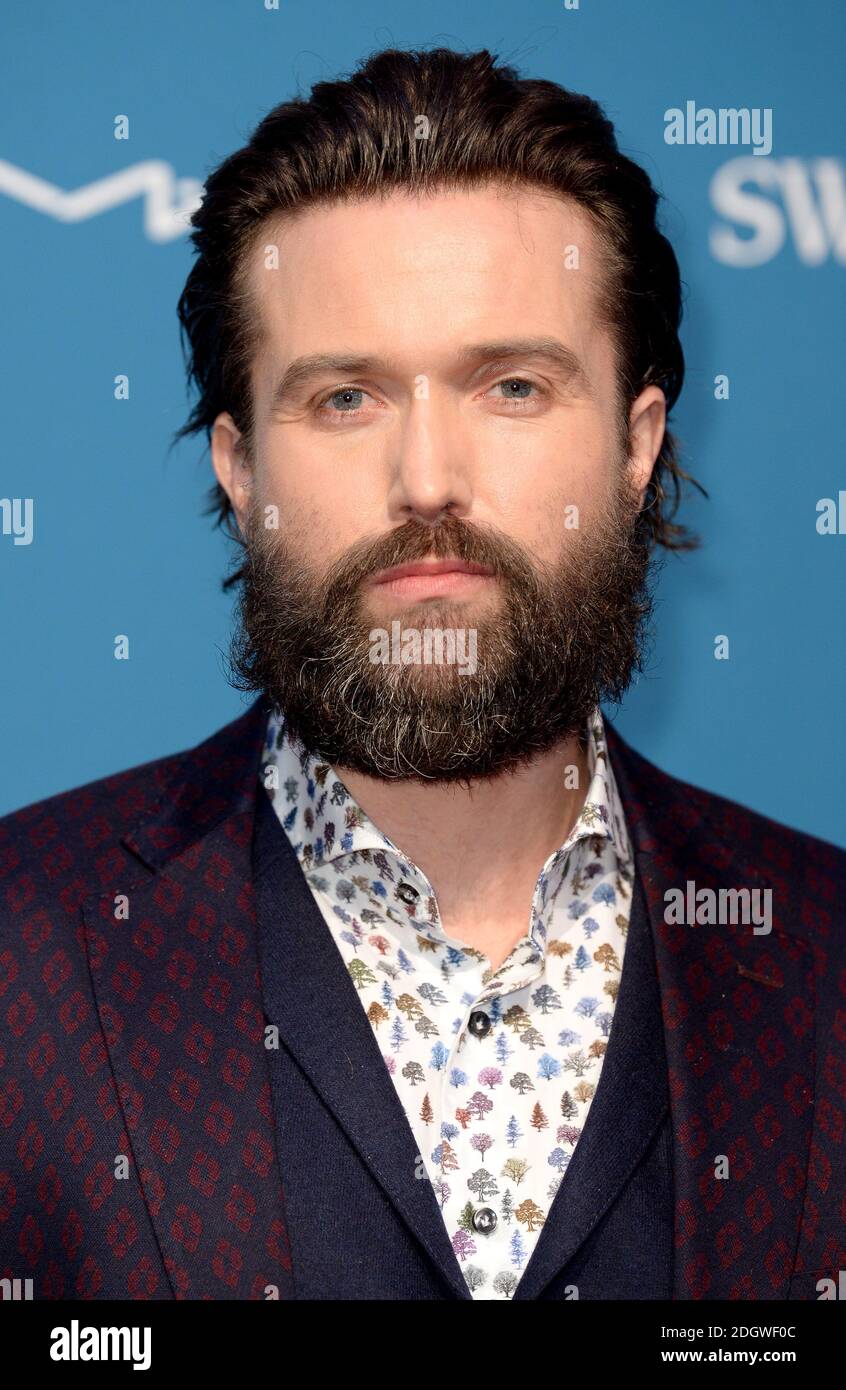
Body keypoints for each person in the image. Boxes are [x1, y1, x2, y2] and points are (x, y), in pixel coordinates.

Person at [1, 47, 842, 1302]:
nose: (428, 477)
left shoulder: (822, 952)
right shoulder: (24, 952)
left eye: (512, 385)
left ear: (636, 442)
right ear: (241, 470)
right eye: (345, 397)